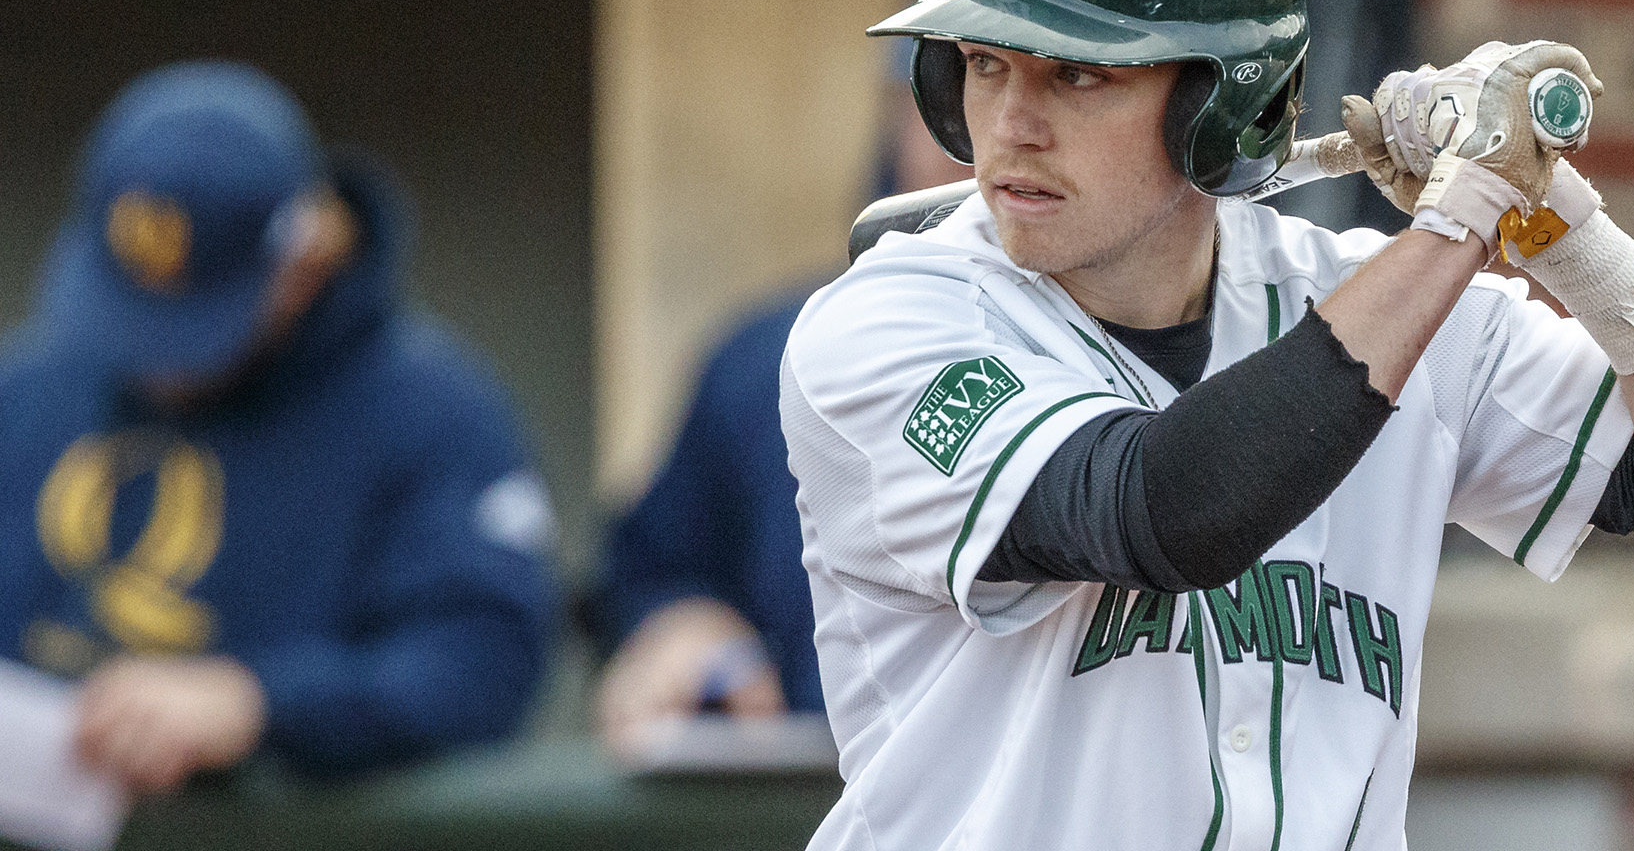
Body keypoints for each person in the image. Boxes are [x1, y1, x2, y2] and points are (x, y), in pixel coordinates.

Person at [780, 0, 1634, 851]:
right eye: (984, 62)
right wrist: (1460, 221)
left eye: (1079, 73)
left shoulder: (1374, 299)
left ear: (1222, 100)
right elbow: (1168, 508)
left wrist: (1563, 229)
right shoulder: (886, 328)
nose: (1011, 122)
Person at [0, 61, 556, 791]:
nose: (162, 361)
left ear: (310, 253)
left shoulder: (429, 411)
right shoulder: (34, 386)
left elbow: (484, 662)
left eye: (201, 318)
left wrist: (263, 704)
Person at [589, 42, 967, 754]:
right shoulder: (777, 357)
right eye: (958, 92)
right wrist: (684, 624)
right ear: (895, 115)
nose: (999, 129)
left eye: (1064, 84)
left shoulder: (1179, 352)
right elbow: (652, 569)